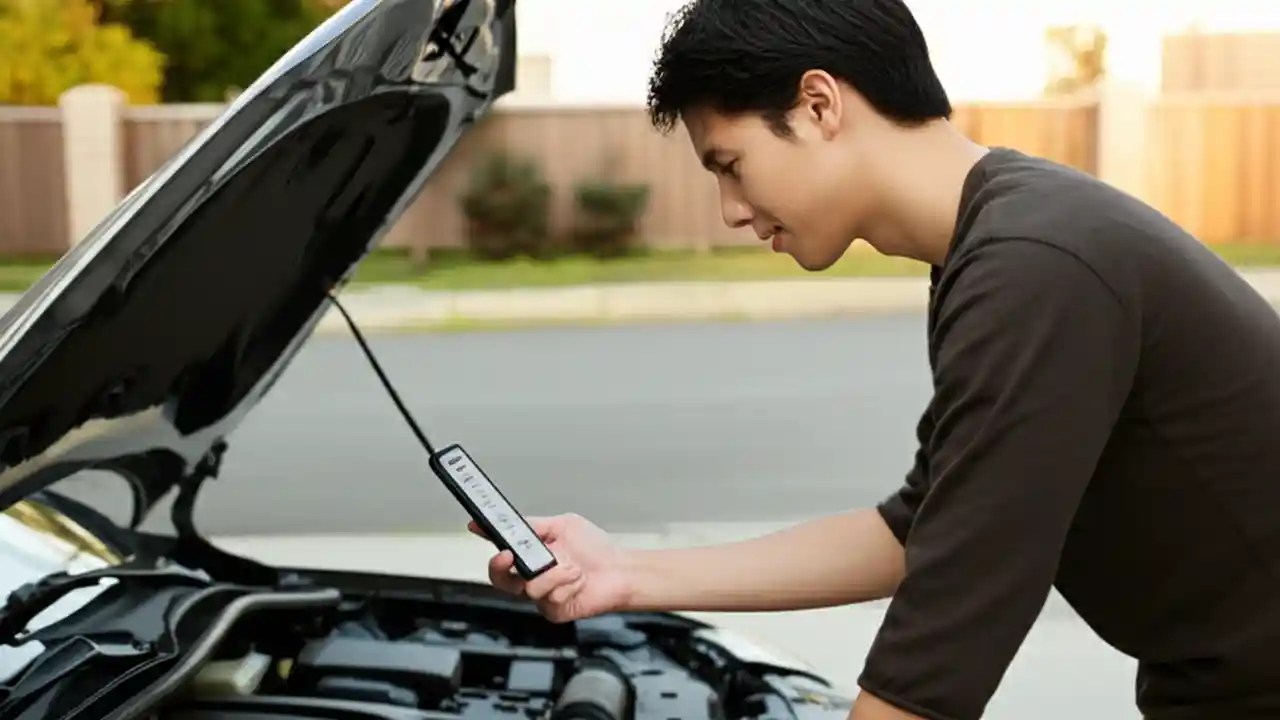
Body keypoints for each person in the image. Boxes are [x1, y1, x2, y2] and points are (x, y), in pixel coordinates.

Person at [469, 1, 1280, 718]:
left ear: (819, 104)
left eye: (730, 165)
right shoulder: (1009, 241)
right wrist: (626, 572)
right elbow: (921, 528)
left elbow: (944, 642)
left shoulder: (1034, 267)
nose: (730, 211)